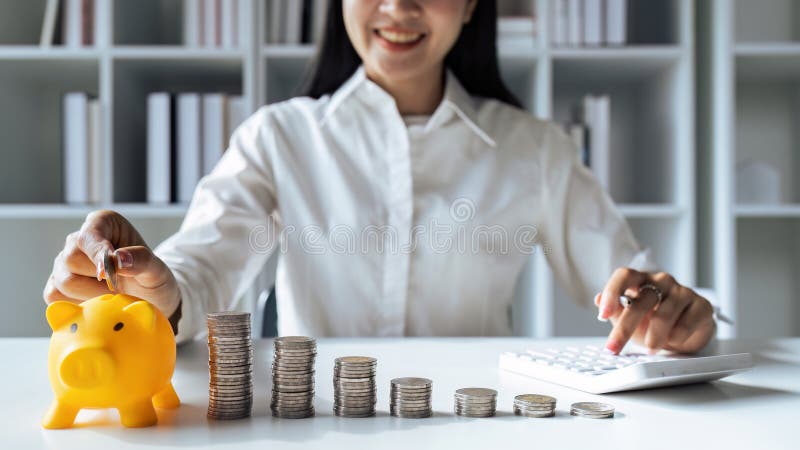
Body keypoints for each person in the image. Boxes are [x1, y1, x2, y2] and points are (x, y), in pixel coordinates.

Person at [43, 0, 715, 355]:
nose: (398, 7)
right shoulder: (279, 139)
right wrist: (147, 287)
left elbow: (635, 285)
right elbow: (204, 270)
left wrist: (675, 315)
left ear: (473, 2)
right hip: (312, 431)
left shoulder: (532, 149)